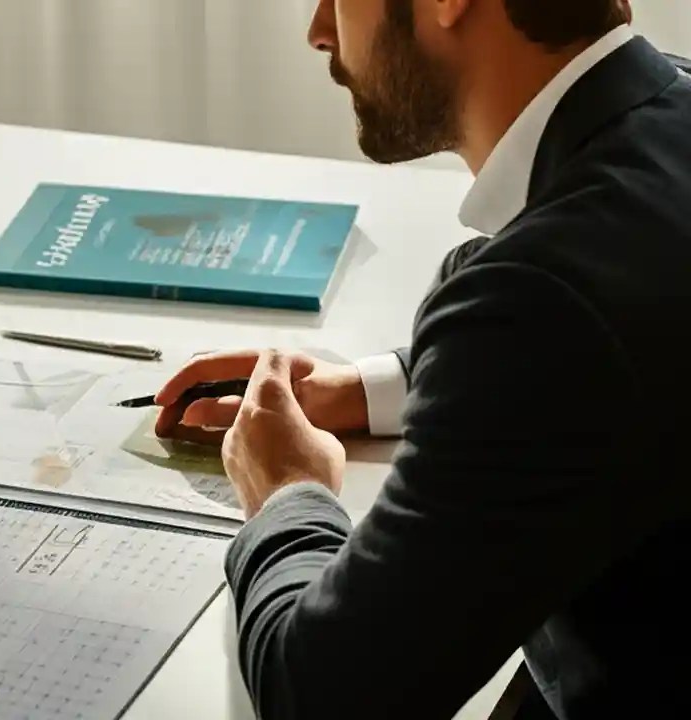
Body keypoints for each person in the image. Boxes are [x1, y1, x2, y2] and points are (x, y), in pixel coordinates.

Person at [154, 1, 691, 718]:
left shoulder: (537, 304)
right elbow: (627, 323)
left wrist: (286, 491)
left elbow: (323, 695)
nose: (318, 28)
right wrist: (377, 388)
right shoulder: (666, 122)